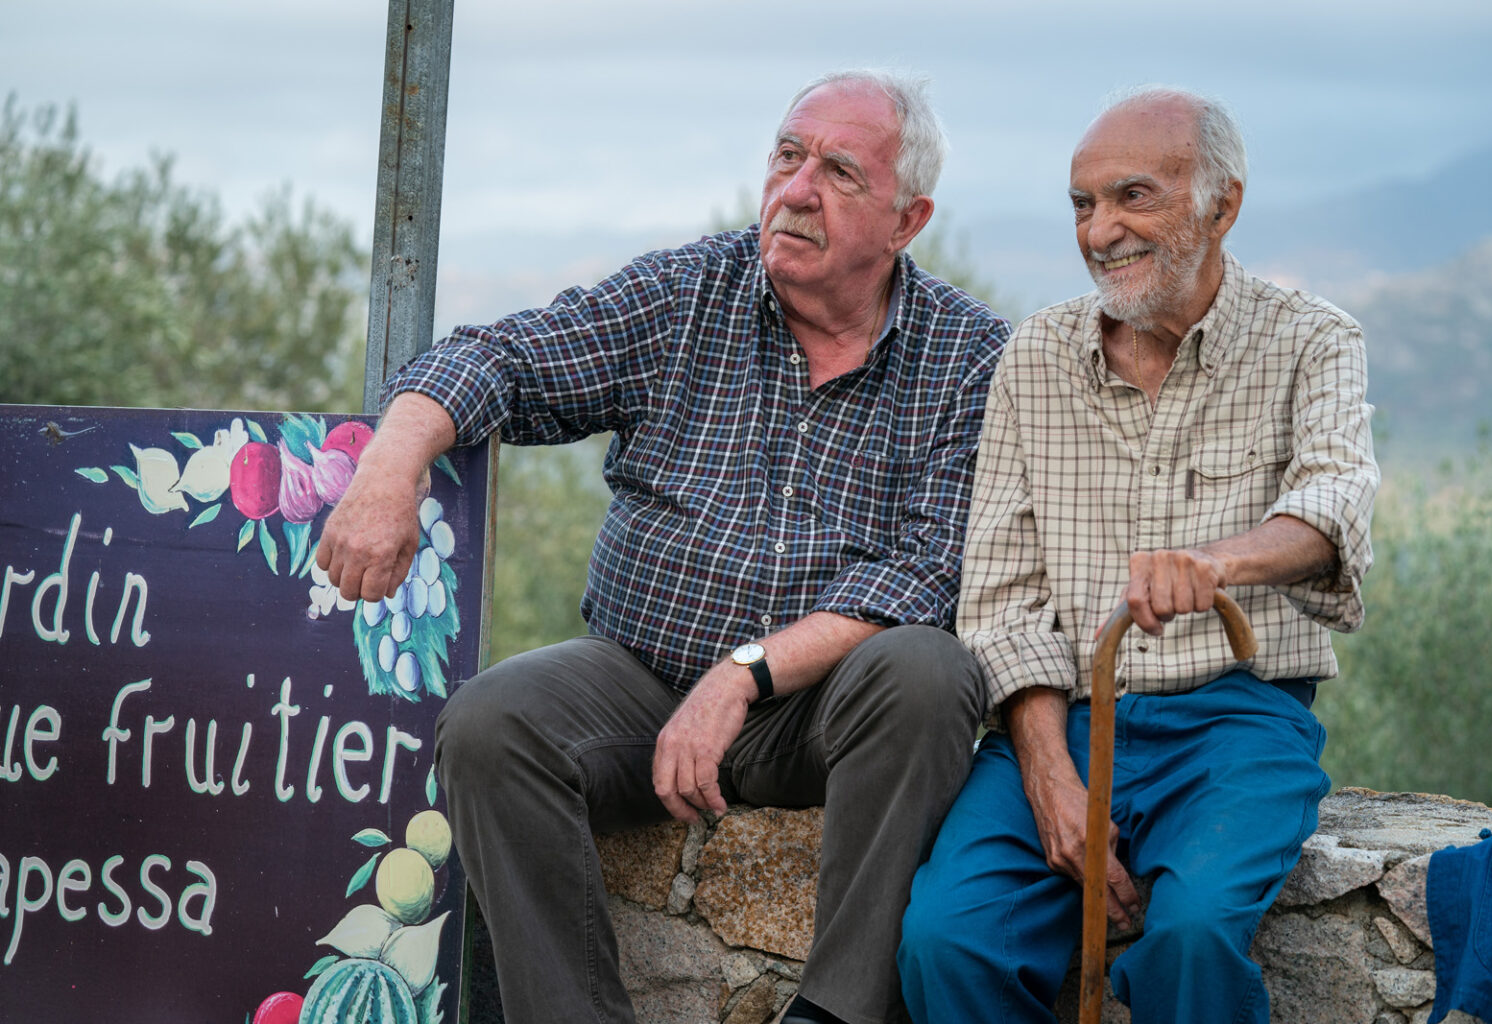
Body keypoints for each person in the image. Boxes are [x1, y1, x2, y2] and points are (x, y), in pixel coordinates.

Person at [316, 69, 1011, 1024]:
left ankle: (835, 1013)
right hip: (643, 680)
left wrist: (744, 675)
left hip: (824, 710)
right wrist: (390, 465)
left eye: (840, 173)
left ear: (906, 219)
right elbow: (501, 356)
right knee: (491, 723)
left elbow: (931, 572)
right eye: (786, 156)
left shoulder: (968, 357)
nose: (797, 190)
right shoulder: (691, 293)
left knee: (930, 672)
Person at [897, 87, 1380, 1023]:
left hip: (1237, 722)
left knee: (1193, 935)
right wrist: (1047, 772)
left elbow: (1332, 505)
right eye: (1083, 204)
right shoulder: (1033, 357)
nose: (1101, 230)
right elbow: (1000, 596)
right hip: (1066, 718)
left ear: (1222, 205)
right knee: (947, 942)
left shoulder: (1312, 339)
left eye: (1132, 197)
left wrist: (1218, 564)